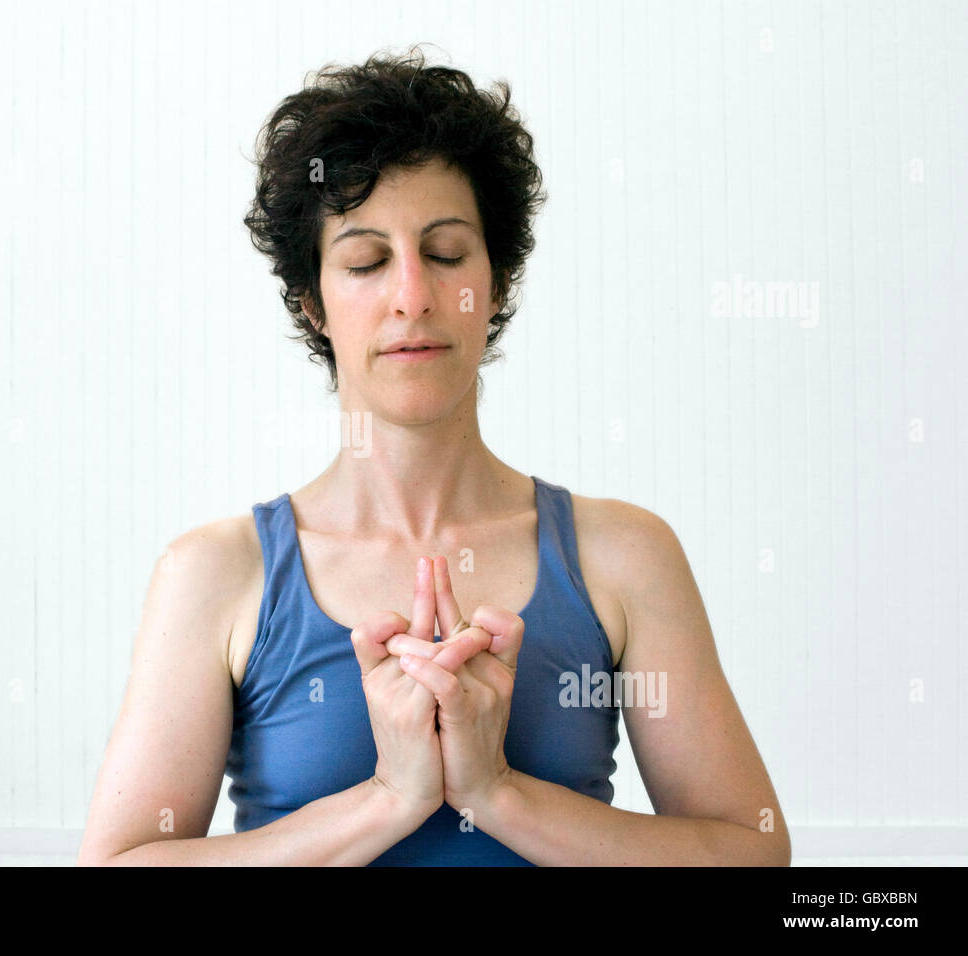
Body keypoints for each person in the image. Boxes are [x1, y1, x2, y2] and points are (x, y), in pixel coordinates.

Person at [76, 47, 789, 866]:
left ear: (495, 283)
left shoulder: (626, 556)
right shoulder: (213, 574)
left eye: (447, 254)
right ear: (312, 302)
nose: (413, 295)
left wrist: (498, 793)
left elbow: (753, 853)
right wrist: (390, 801)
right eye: (367, 262)